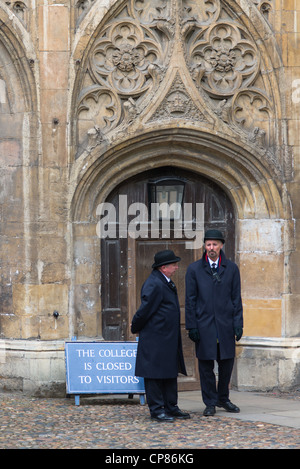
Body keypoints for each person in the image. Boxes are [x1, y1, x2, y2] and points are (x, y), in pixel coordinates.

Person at [185, 229, 243, 416]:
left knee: (226, 363)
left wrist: (238, 323)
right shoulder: (194, 269)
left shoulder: (231, 268)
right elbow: (190, 300)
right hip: (204, 325)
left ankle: (223, 398)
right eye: (208, 244)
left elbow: (236, 298)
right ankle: (209, 401)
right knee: (206, 366)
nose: (211, 248)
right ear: (205, 246)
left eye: (215, 245)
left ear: (221, 246)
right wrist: (192, 325)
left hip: (225, 325)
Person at [131, 249, 190, 422]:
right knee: (155, 375)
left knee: (169, 373)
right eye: (174, 265)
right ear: (164, 267)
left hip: (167, 338)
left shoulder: (166, 281)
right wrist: (135, 326)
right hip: (155, 338)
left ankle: (171, 406)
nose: (177, 268)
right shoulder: (154, 283)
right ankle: (157, 410)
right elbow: (145, 310)